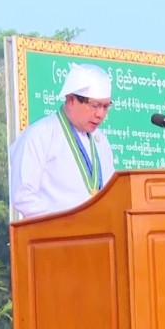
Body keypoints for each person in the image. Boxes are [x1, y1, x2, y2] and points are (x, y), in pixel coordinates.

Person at [9, 63, 116, 218]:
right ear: (71, 99)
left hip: (100, 236)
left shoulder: (101, 141)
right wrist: (66, 224)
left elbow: (111, 192)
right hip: (55, 236)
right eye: (95, 106)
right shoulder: (40, 134)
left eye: (106, 107)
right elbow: (23, 197)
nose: (100, 114)